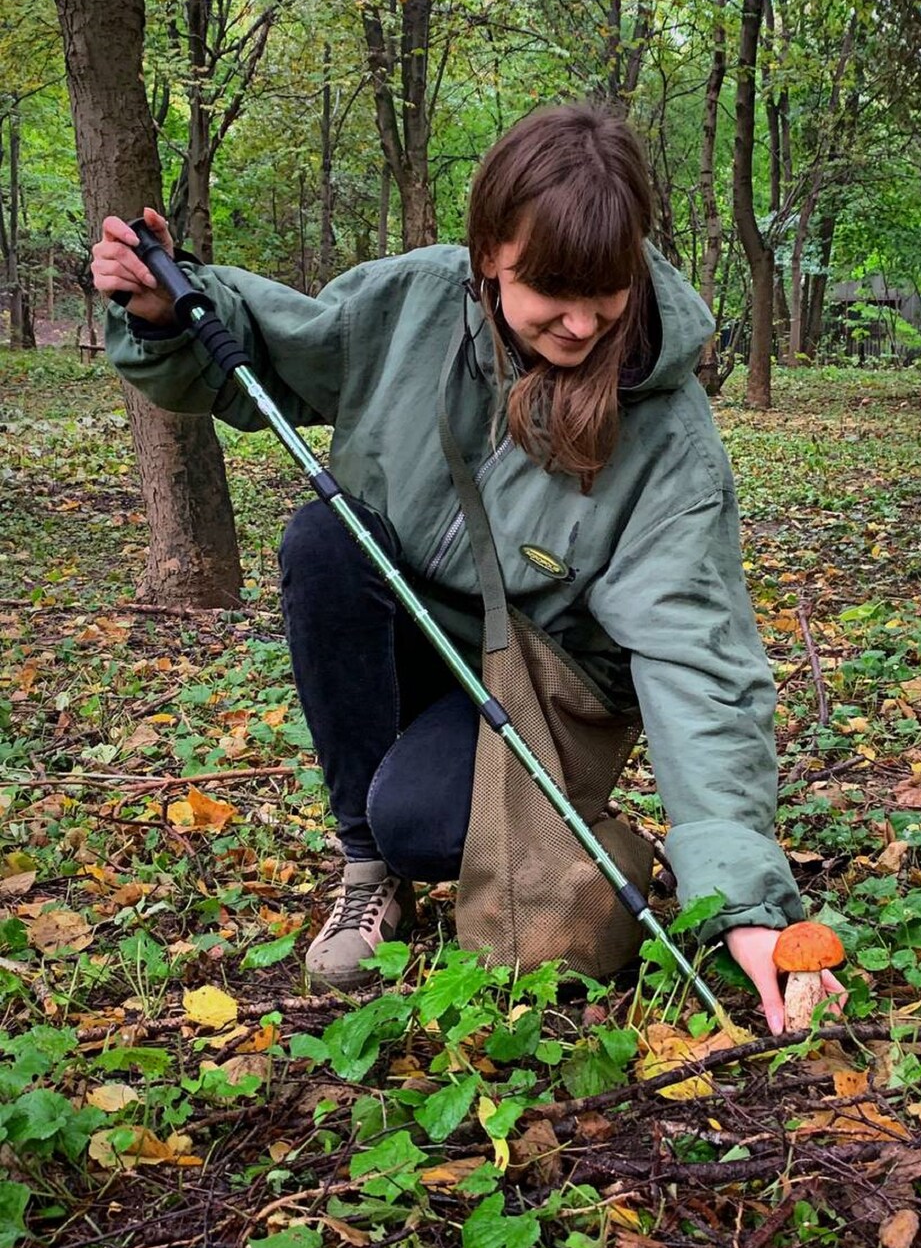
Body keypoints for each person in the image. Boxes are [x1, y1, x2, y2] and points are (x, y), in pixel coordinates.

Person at [93, 104, 841, 1033]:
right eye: (550, 290)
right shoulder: (411, 303)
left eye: (604, 294)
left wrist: (745, 899)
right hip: (405, 625)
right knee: (326, 540)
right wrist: (171, 308)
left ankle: (471, 826)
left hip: (535, 679)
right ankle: (370, 872)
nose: (579, 323)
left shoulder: (669, 437)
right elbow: (269, 345)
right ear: (491, 252)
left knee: (425, 823)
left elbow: (698, 655)